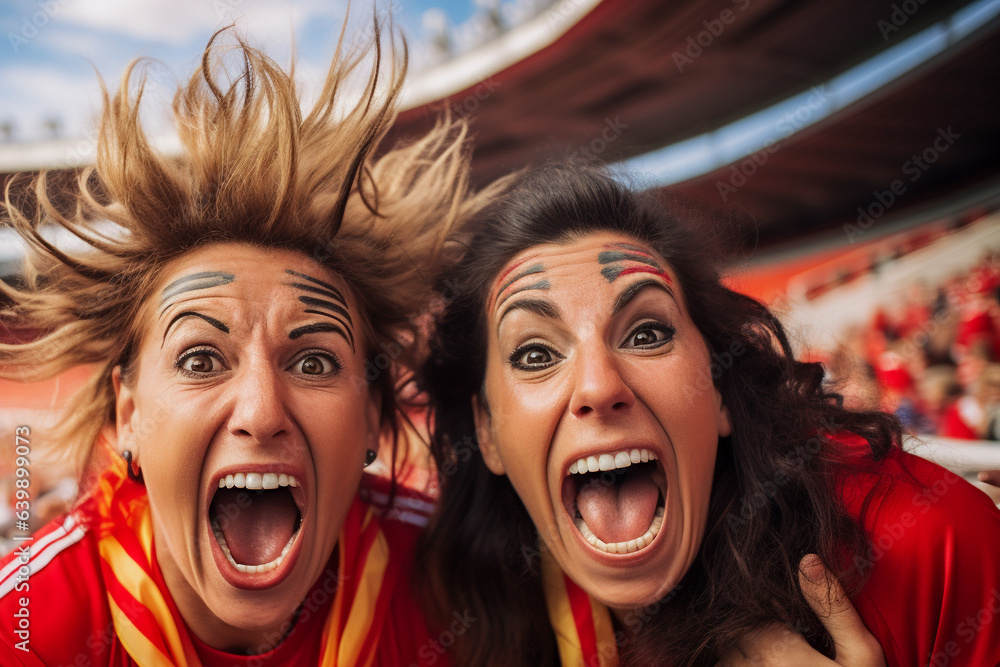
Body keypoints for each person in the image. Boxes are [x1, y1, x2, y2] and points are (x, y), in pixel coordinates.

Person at [0, 23, 501, 665]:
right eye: (201, 360)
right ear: (128, 415)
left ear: (374, 413)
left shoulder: (462, 586)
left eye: (315, 361)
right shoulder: (29, 627)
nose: (262, 414)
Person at [416, 163, 1000, 666]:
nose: (598, 386)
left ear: (720, 389)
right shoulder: (466, 613)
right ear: (487, 433)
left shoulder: (931, 544)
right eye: (536, 353)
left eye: (646, 333)